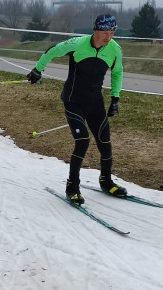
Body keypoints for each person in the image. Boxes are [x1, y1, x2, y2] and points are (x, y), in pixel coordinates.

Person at [27, 13, 125, 205]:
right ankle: (72, 186)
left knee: (105, 142)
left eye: (112, 31)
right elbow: (52, 50)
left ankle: (106, 181)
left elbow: (118, 72)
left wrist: (115, 98)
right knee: (82, 142)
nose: (109, 36)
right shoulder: (78, 44)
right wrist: (38, 70)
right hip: (73, 101)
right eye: (105, 31)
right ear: (95, 30)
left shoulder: (115, 49)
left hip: (95, 103)